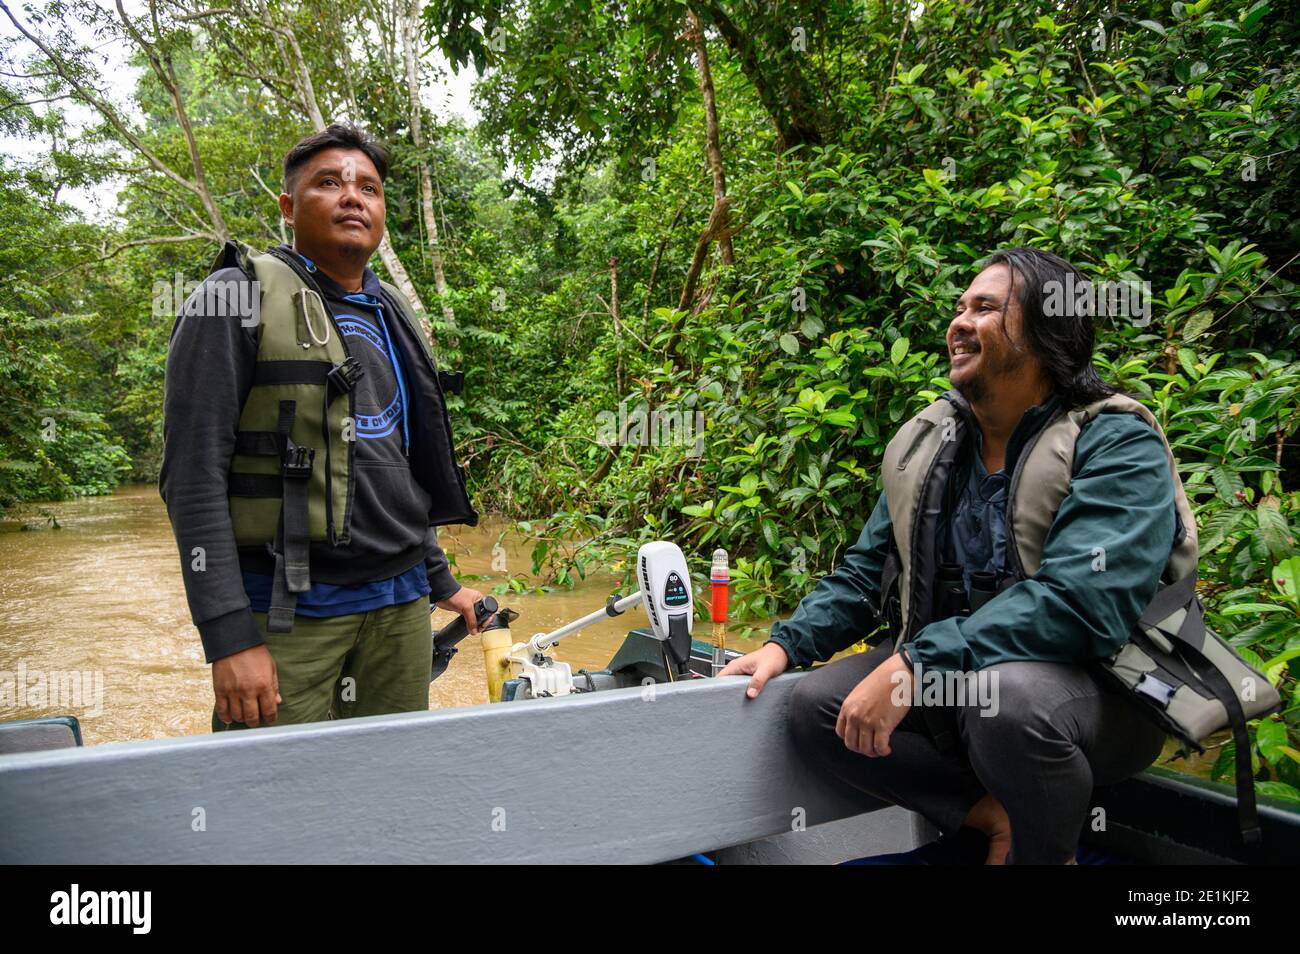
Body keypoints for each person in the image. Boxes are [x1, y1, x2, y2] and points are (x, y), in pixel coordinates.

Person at [720, 247, 1178, 864]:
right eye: (959, 307)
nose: (958, 323)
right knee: (809, 707)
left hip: (1102, 692)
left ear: (1046, 331)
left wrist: (915, 665)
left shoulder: (1115, 442)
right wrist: (785, 646)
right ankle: (992, 820)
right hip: (959, 678)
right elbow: (865, 574)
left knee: (1009, 703)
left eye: (984, 308)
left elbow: (1082, 604)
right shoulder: (933, 444)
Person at [160, 124, 484, 732]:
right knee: (268, 798)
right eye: (328, 183)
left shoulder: (393, 311)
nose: (352, 196)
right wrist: (228, 637)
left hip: (399, 607)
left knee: (386, 792)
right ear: (288, 207)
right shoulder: (233, 299)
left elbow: (397, 464)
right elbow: (191, 479)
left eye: (368, 186)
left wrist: (442, 582)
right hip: (285, 615)